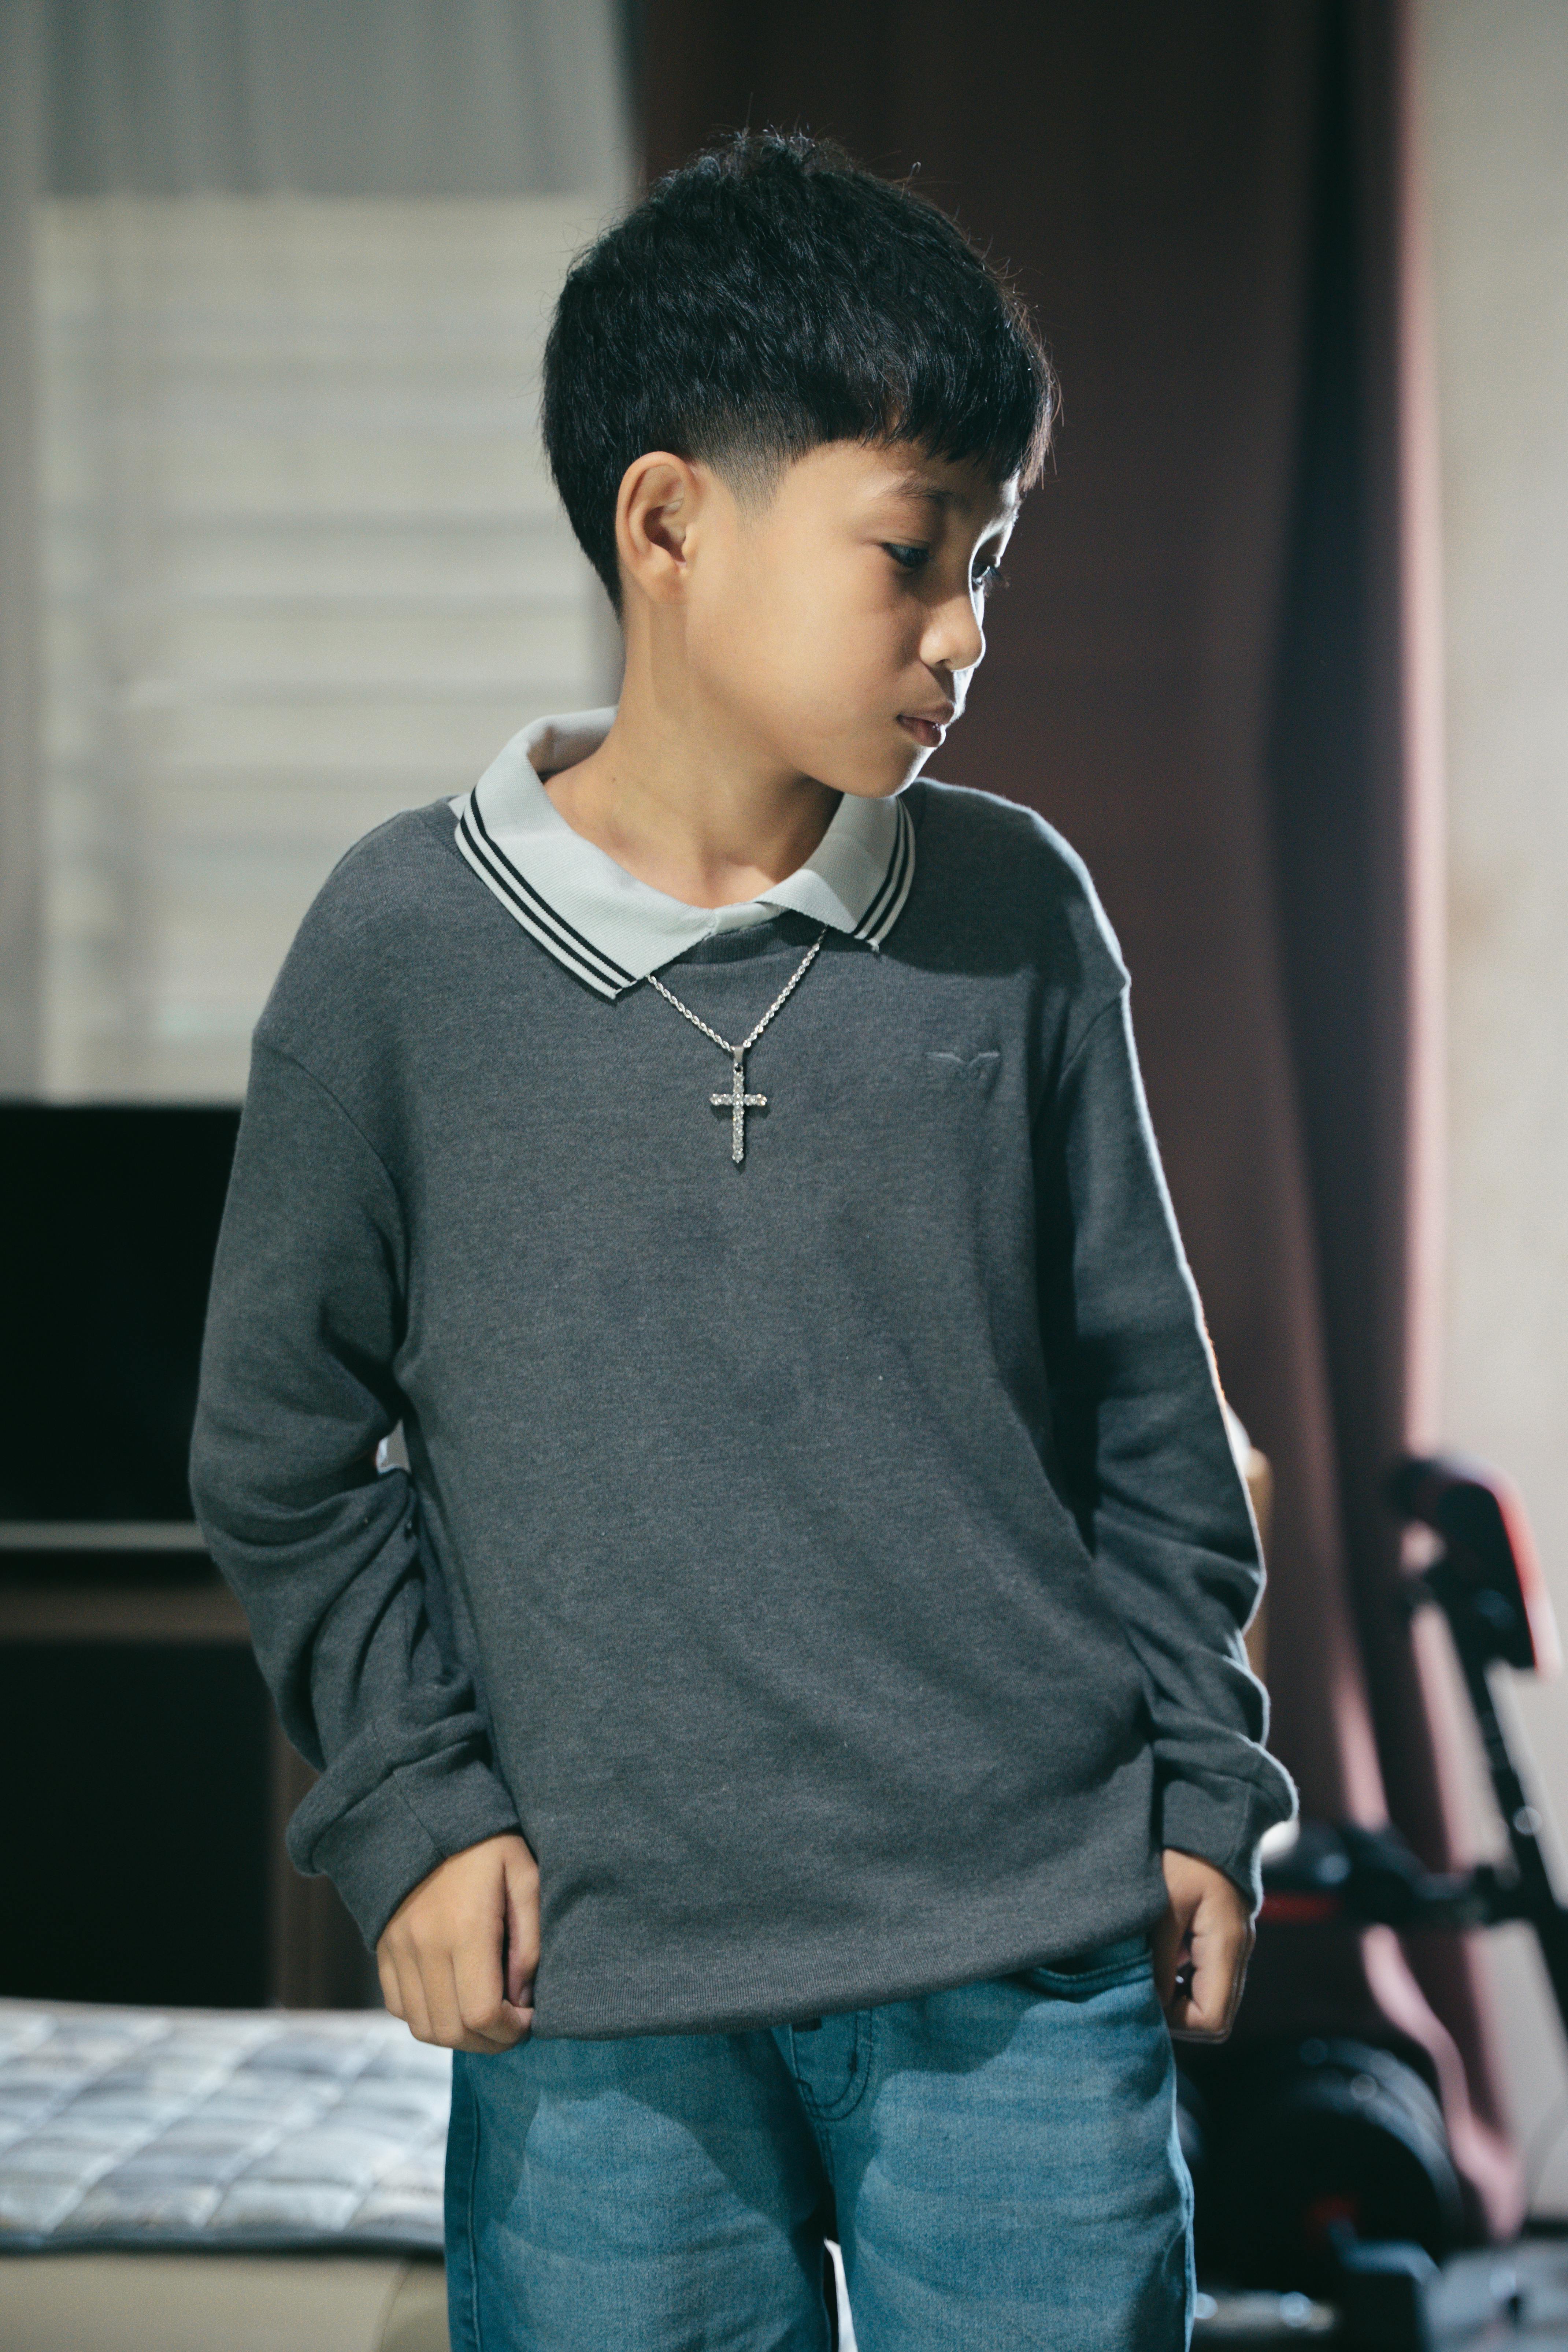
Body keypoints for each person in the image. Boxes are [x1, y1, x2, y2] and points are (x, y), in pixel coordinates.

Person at [189, 127, 1298, 2352]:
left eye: (994, 555)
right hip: (601, 1991)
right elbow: (282, 1449)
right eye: (914, 554)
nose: (969, 631)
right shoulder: (402, 949)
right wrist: (409, 1812)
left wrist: (1200, 1774)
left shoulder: (1016, 916)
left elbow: (1157, 1419)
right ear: (671, 524)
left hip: (1023, 1955)